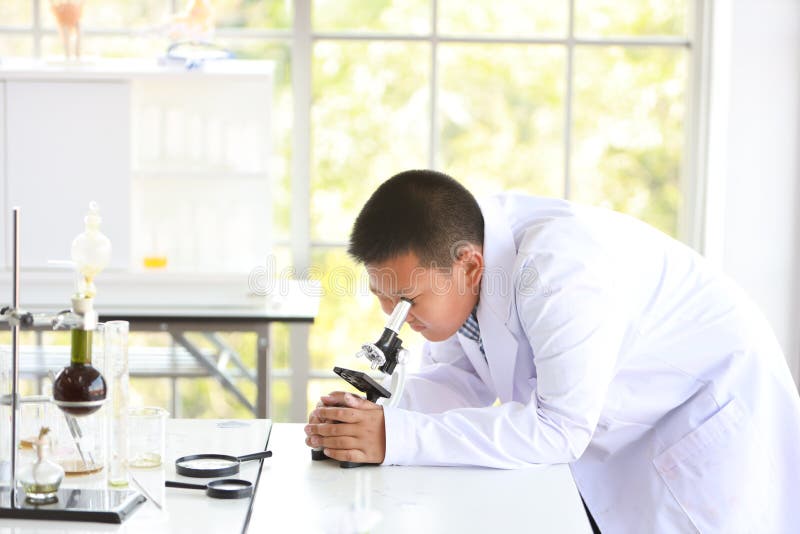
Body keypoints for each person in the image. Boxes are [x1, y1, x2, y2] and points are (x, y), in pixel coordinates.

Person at [304, 169, 800, 533]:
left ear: (469, 266)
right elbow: (463, 382)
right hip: (631, 432)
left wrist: (393, 437)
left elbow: (559, 429)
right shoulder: (457, 262)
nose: (395, 317)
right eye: (383, 297)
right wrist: (367, 421)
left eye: (407, 300)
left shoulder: (559, 269)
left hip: (710, 424)